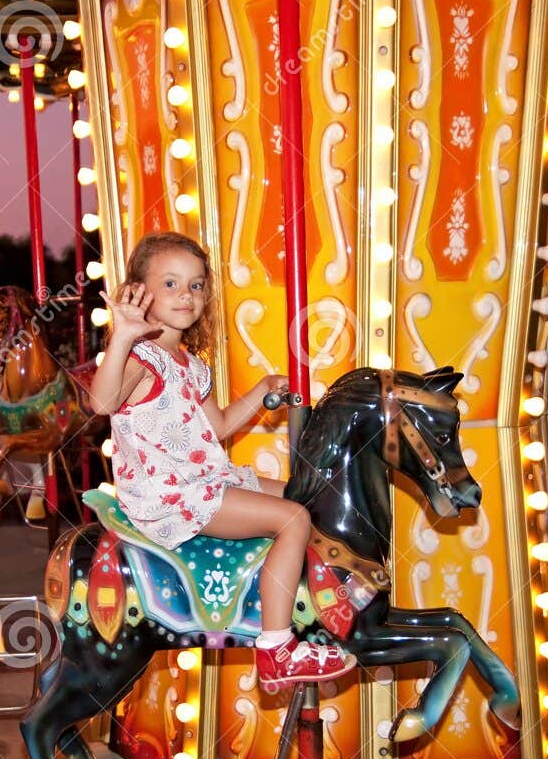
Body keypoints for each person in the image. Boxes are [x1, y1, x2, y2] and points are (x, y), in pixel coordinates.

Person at [88, 231, 356, 687]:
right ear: (139, 290)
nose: (185, 295)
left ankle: (294, 602)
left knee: (306, 498)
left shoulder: (191, 363)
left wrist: (263, 388)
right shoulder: (143, 356)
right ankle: (276, 649)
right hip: (169, 493)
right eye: (170, 284)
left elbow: (218, 428)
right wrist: (123, 336)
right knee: (291, 519)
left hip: (204, 476)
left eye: (195, 285)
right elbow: (102, 402)